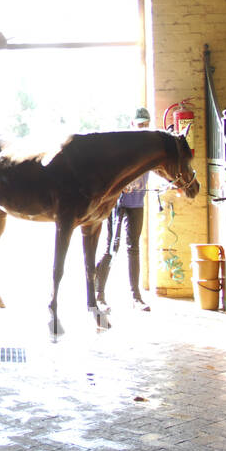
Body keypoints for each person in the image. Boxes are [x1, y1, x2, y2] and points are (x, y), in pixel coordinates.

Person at [97, 107, 153, 311]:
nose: (143, 128)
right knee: (112, 246)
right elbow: (111, 172)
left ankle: (136, 297)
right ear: (132, 124)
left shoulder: (150, 148)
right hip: (119, 202)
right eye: (140, 125)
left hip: (138, 202)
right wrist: (121, 185)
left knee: (134, 246)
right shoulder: (123, 146)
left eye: (146, 125)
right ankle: (99, 293)